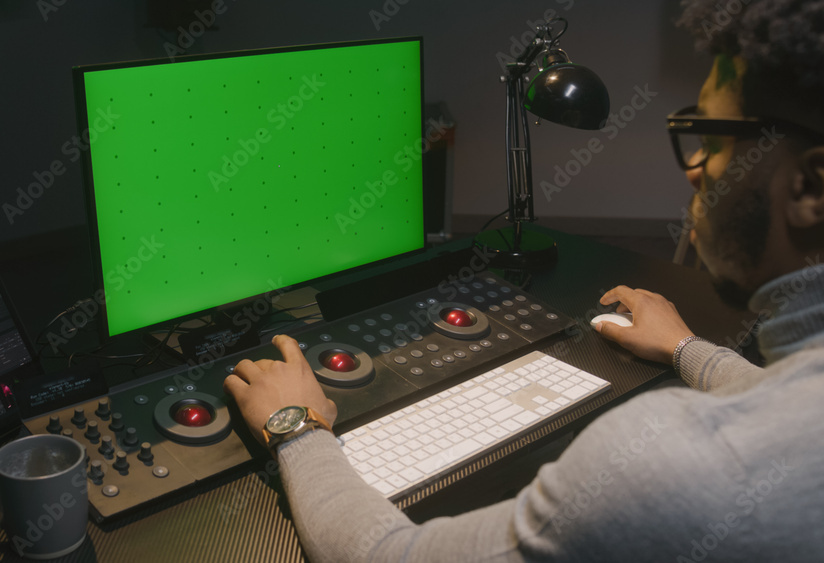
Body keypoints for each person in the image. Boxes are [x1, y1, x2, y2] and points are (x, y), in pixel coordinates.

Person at [223, 1, 824, 560]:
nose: (697, 172)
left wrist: (296, 427)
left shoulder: (673, 464)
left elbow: (386, 554)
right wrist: (685, 348)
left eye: (712, 140)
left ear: (810, 185)